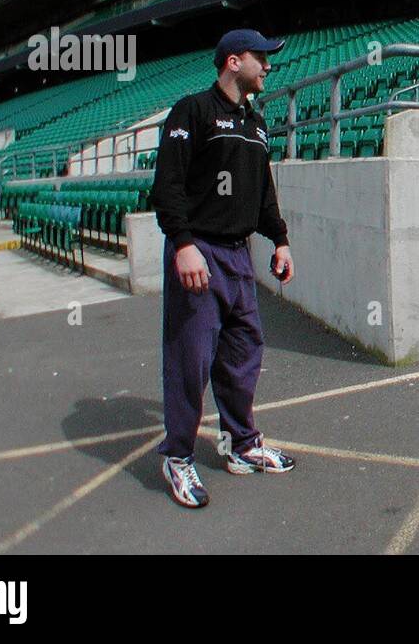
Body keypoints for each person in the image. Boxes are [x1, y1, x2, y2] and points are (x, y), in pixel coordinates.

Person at [150, 28, 298, 509]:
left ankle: (241, 444)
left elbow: (262, 192)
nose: (269, 66)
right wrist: (183, 243)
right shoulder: (191, 111)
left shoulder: (256, 125)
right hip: (200, 252)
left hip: (238, 257)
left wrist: (279, 239)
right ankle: (177, 456)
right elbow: (168, 185)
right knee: (190, 359)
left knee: (243, 351)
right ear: (234, 61)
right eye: (262, 57)